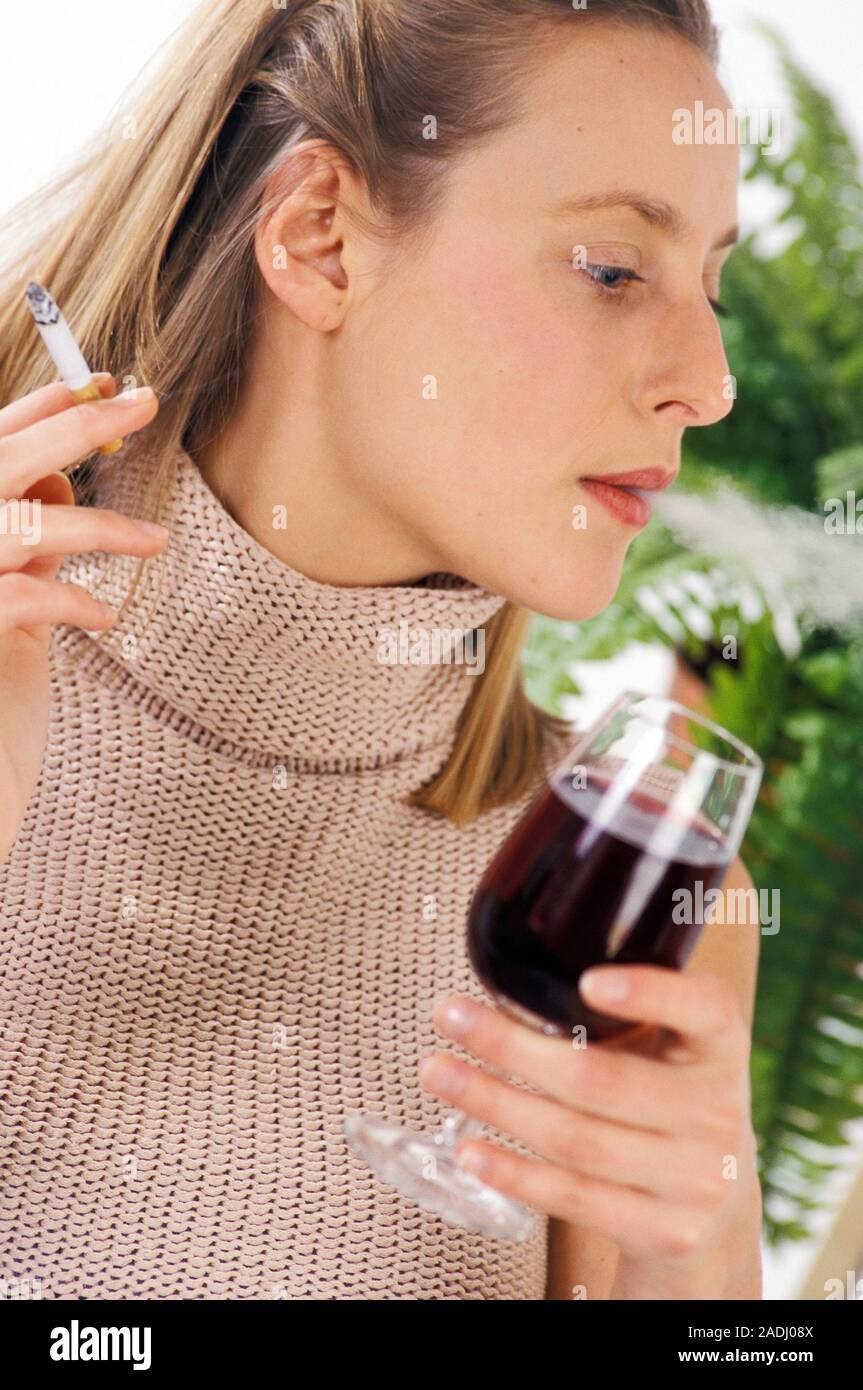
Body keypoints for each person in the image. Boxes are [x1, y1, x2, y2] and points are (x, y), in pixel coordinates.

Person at [0, 0, 762, 1299]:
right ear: (321, 240)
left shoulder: (642, 904)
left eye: (713, 285)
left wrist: (686, 1252)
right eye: (614, 267)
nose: (710, 378)